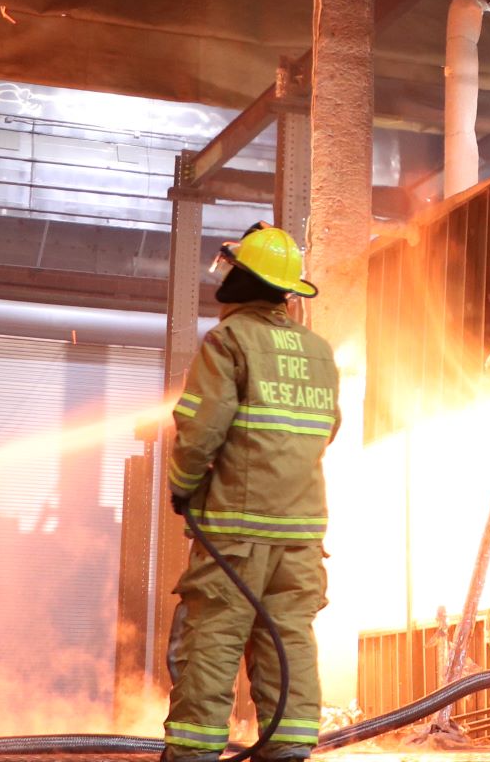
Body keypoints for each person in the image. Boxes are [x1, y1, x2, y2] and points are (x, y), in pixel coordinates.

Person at [163, 225, 340, 762]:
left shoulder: (228, 341)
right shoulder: (319, 350)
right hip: (301, 533)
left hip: (237, 530)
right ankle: (288, 750)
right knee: (289, 641)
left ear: (244, 278)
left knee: (213, 638)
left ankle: (192, 753)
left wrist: (182, 486)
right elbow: (327, 429)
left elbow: (202, 428)